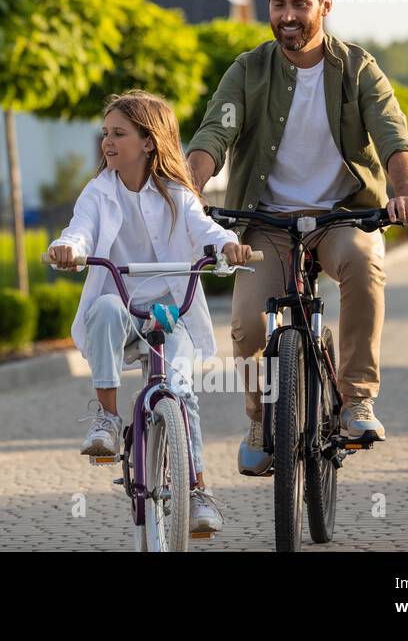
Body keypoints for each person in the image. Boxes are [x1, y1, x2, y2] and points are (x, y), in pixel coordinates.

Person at [186, 0, 408, 476]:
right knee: (248, 325)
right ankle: (259, 420)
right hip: (267, 222)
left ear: (325, 5)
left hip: (342, 218)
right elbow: (214, 133)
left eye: (300, 4)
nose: (288, 15)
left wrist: (403, 192)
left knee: (365, 267)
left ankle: (356, 399)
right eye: (278, 5)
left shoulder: (358, 68)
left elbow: (391, 134)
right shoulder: (248, 71)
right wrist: (190, 186)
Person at [47, 90, 252, 533]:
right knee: (102, 308)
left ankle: (197, 490)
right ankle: (106, 416)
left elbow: (205, 228)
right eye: (105, 134)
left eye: (119, 133)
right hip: (122, 313)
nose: (107, 142)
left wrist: (226, 246)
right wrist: (67, 248)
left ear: (148, 141)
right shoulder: (99, 192)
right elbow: (79, 231)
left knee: (181, 394)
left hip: (167, 316)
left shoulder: (178, 194)